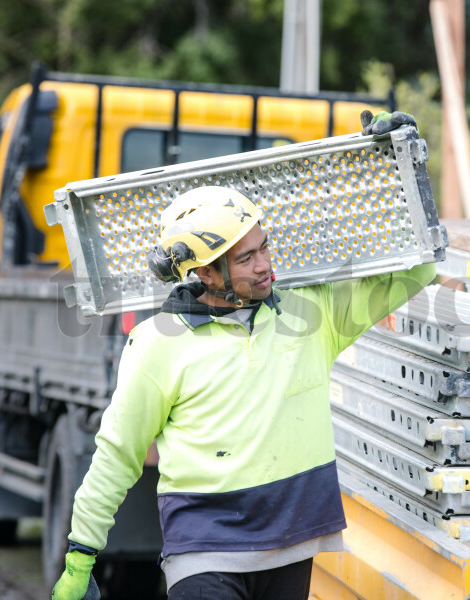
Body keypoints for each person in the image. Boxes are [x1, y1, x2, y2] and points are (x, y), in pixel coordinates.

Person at [51, 112, 434, 600]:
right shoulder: (157, 344)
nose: (265, 264)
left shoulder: (311, 315)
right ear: (205, 274)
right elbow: (118, 453)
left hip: (292, 545)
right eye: (246, 257)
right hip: (204, 550)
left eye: (264, 246)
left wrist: (399, 169)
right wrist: (81, 554)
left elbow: (418, 270)